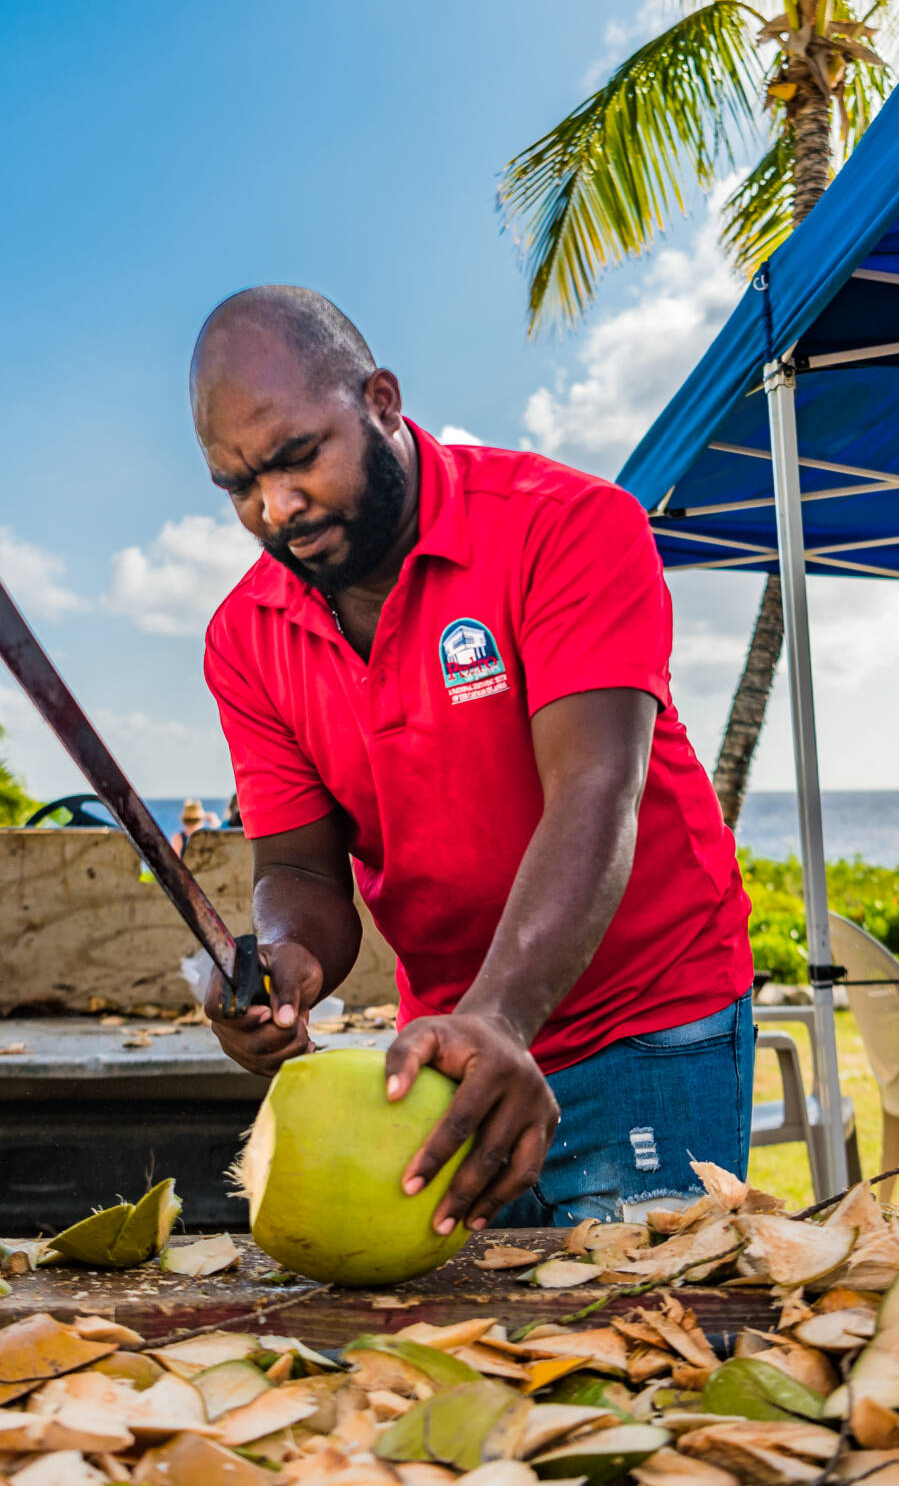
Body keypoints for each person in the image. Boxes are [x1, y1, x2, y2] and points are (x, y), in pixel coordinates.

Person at [187, 285, 754, 1231]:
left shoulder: (567, 526)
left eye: (297, 459)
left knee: (645, 1347)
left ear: (381, 400)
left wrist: (501, 1016)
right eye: (239, 486)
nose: (277, 508)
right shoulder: (244, 638)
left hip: (650, 1019)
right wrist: (286, 961)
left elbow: (594, 792)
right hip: (451, 1044)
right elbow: (296, 867)